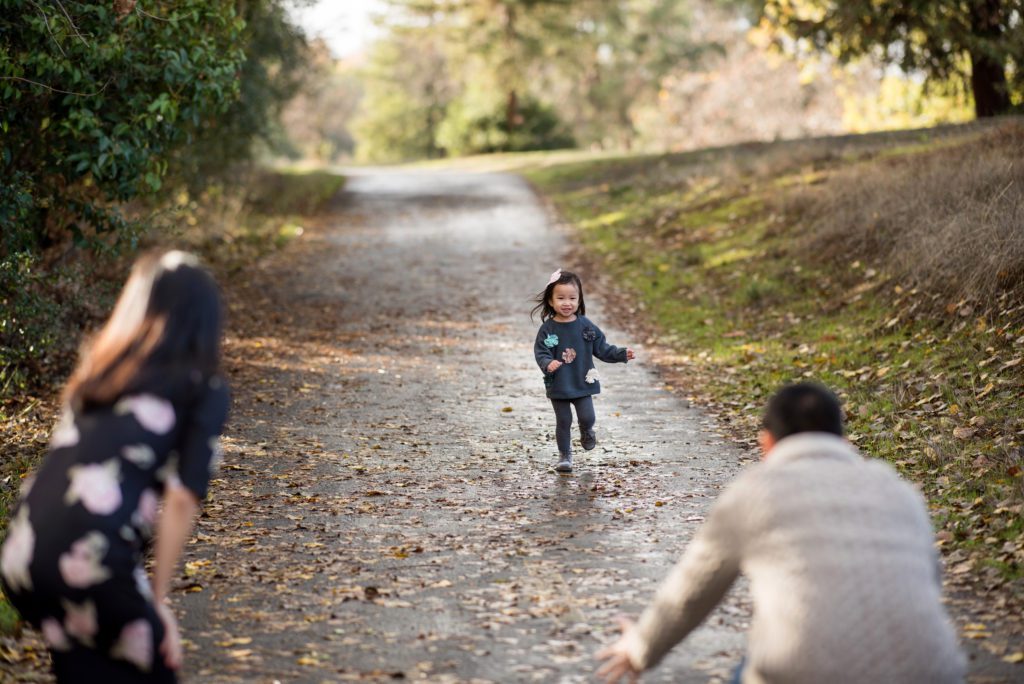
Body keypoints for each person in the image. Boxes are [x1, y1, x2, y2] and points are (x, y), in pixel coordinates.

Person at [596, 382, 966, 684]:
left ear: (766, 442)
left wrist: (640, 648)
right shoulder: (896, 487)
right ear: (843, 439)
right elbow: (928, 578)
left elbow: (690, 595)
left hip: (802, 672)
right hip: (934, 669)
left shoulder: (756, 491)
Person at [0, 250, 230, 682]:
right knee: (156, 668)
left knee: (85, 668)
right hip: (91, 556)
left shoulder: (102, 373)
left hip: (22, 554)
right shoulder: (203, 387)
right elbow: (182, 497)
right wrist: (158, 603)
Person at [532, 269, 635, 473]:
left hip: (581, 381)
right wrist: (547, 363)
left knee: (587, 416)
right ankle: (565, 456)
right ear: (551, 301)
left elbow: (601, 348)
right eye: (560, 298)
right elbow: (541, 351)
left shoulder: (585, 325)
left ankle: (586, 430)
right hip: (559, 382)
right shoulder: (548, 329)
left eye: (572, 298)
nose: (567, 303)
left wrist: (621, 354)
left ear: (579, 300)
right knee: (563, 420)